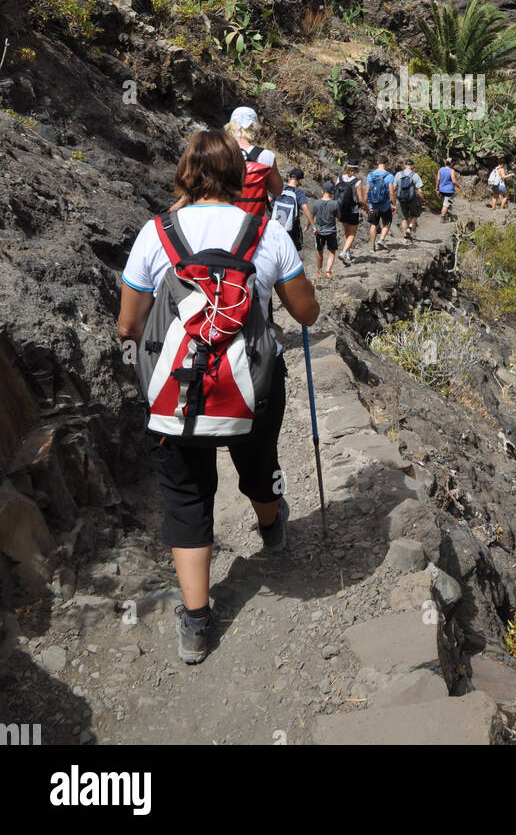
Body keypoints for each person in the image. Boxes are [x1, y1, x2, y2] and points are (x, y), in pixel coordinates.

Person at [117, 130, 319, 666]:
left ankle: (197, 621)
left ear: (185, 171)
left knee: (186, 494)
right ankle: (272, 527)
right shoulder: (267, 232)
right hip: (252, 387)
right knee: (258, 461)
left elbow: (127, 325)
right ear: (240, 174)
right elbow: (306, 314)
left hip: (176, 391)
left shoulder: (154, 233)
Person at [226, 106, 283, 215]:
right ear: (254, 127)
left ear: (230, 126)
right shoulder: (266, 156)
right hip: (252, 222)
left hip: (224, 220)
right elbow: (277, 191)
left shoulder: (219, 153)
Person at [272, 168, 314, 252]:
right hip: (291, 228)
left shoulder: (280, 188)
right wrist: (313, 225)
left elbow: (268, 199)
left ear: (289, 178)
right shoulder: (299, 193)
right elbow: (305, 208)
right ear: (300, 180)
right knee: (291, 250)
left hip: (275, 225)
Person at [335, 161, 365, 265]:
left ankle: (347, 253)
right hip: (353, 210)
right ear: (356, 169)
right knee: (352, 234)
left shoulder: (339, 178)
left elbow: (336, 194)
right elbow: (361, 199)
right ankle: (344, 252)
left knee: (346, 231)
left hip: (341, 210)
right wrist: (366, 207)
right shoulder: (357, 182)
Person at [362, 160, 395, 253]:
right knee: (387, 222)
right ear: (386, 163)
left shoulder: (370, 175)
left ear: (377, 162)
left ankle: (372, 247)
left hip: (373, 205)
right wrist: (394, 204)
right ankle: (381, 239)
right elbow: (391, 192)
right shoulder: (389, 176)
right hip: (385, 205)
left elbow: (367, 191)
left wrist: (365, 203)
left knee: (373, 225)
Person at [311, 181, 341, 280]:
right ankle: (328, 272)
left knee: (319, 251)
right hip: (331, 231)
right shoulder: (335, 203)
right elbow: (339, 217)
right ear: (332, 192)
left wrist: (310, 227)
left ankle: (319, 271)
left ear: (322, 191)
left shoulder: (316, 203)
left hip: (319, 232)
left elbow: (311, 217)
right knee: (331, 252)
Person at [392, 160, 423, 244]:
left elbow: (394, 189)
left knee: (404, 218)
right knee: (415, 215)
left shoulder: (398, 174)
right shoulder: (415, 175)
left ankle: (405, 238)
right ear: (412, 166)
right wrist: (423, 200)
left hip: (401, 199)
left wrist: (393, 201)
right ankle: (410, 228)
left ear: (405, 165)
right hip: (412, 199)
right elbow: (420, 191)